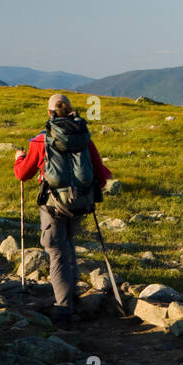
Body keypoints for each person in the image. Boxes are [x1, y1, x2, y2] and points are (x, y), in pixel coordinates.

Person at [13, 94, 112, 325]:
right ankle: (72, 296)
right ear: (70, 111)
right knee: (67, 246)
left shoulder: (40, 141)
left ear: (49, 113)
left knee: (57, 251)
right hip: (80, 204)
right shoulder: (84, 139)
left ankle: (63, 308)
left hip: (53, 205)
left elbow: (22, 174)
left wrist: (19, 158)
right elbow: (101, 174)